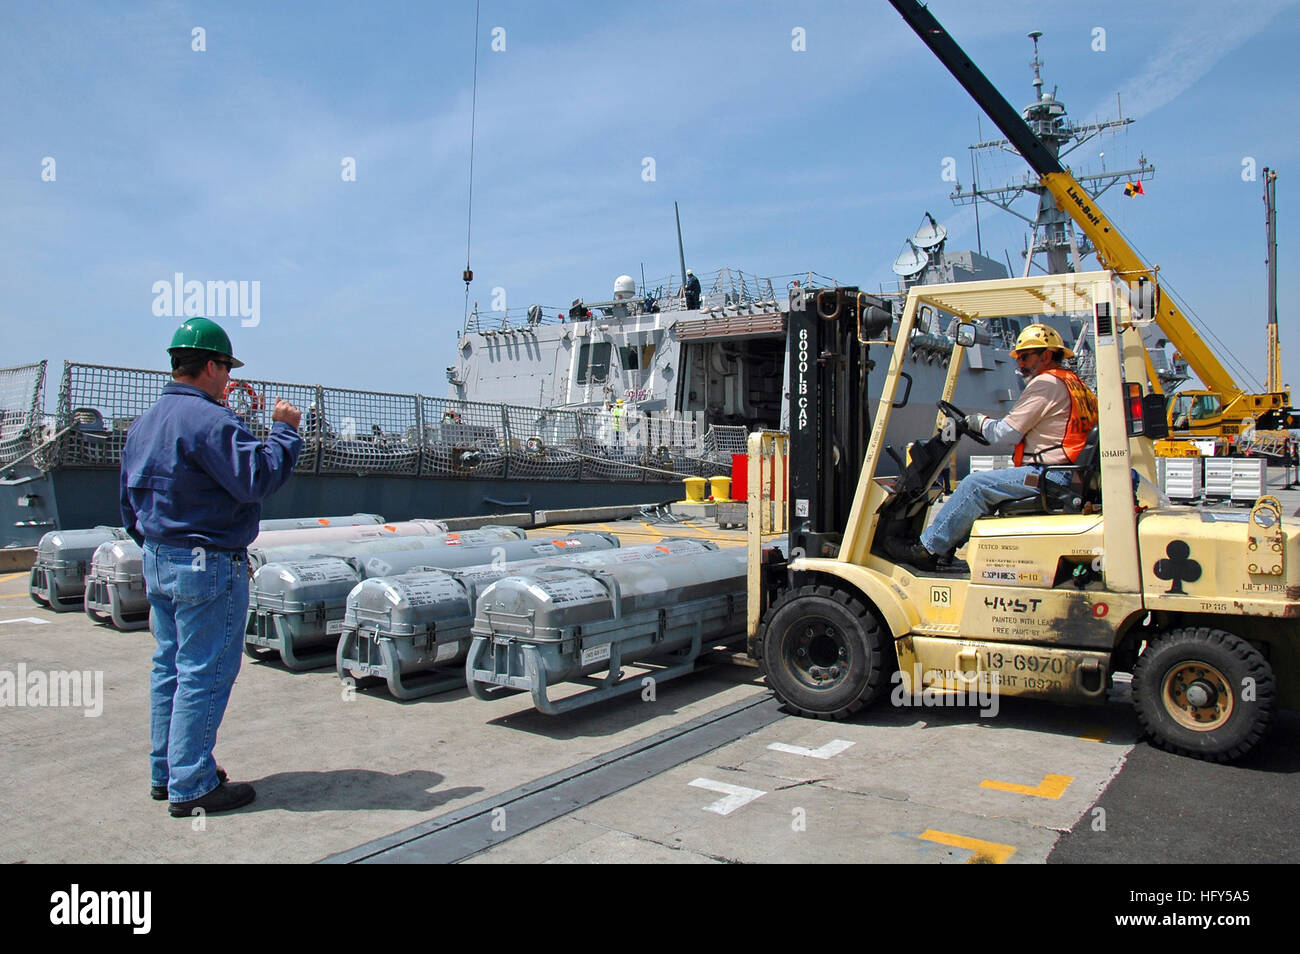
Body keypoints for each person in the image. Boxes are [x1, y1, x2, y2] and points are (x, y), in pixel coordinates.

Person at [120, 317, 302, 817]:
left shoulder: (145, 421)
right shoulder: (212, 421)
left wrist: (159, 546)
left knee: (169, 669)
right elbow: (255, 478)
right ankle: (193, 785)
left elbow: (128, 503)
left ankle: (169, 770)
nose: (229, 379)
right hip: (208, 564)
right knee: (204, 672)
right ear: (210, 366)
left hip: (159, 558)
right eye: (226, 368)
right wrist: (284, 432)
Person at [889, 323, 1098, 569]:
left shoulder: (1046, 384)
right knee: (987, 487)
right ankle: (945, 550)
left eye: (1025, 356)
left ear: (1047, 355)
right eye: (1019, 358)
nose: (1020, 364)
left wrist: (979, 422)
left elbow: (1005, 434)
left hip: (1048, 477)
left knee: (973, 485)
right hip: (1068, 474)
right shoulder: (1077, 385)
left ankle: (928, 549)